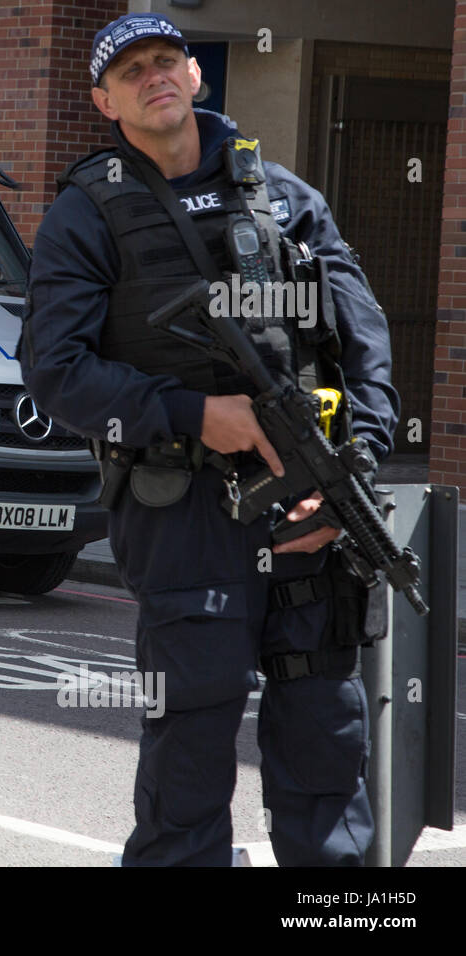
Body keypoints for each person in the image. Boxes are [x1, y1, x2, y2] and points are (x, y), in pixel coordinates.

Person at [21, 13, 399, 866]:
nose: (154, 75)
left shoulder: (285, 197)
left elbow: (364, 342)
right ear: (104, 100)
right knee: (190, 750)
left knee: (326, 746)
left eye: (167, 60)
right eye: (132, 70)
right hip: (182, 512)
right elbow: (57, 375)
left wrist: (352, 474)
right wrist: (199, 416)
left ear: (195, 76)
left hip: (307, 509)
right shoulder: (86, 216)